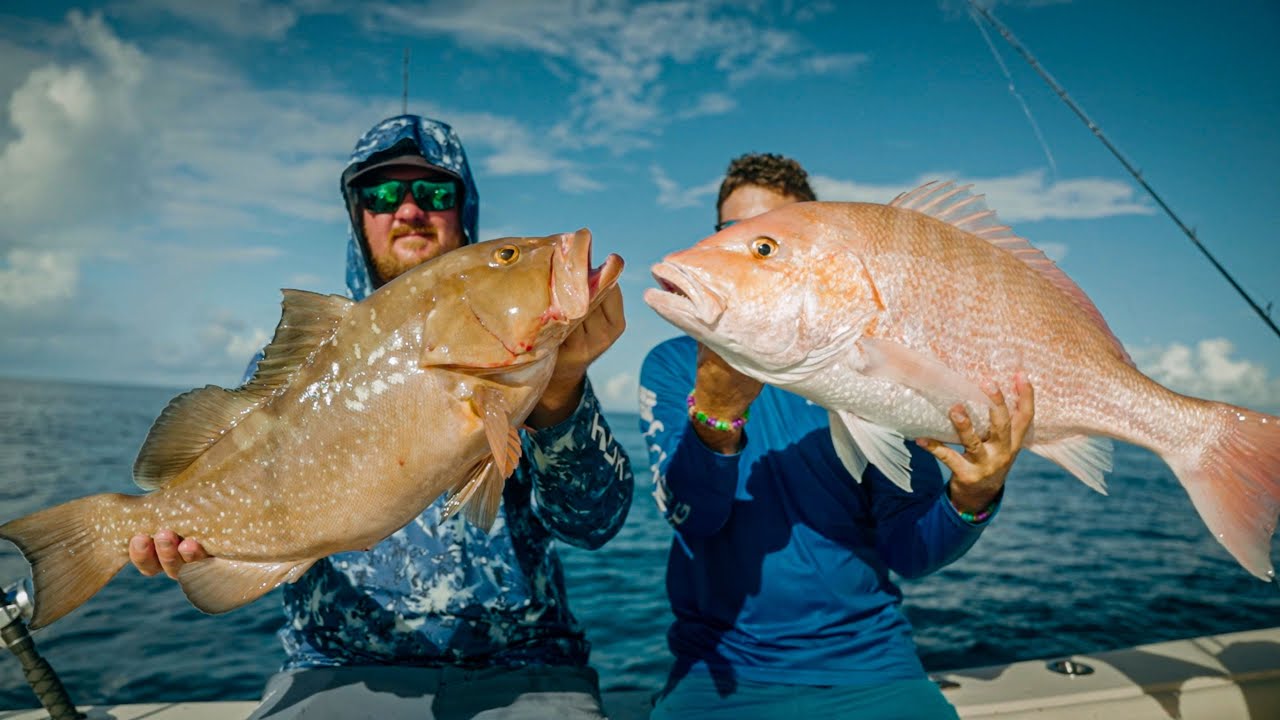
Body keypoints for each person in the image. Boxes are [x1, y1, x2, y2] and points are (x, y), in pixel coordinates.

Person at [129, 115, 634, 720]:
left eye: (436, 193)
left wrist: (563, 393)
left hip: (525, 666)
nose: (410, 210)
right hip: (337, 664)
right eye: (383, 194)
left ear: (462, 210)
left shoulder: (545, 363)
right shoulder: (285, 367)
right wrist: (191, 539)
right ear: (357, 213)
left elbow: (595, 525)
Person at [637, 152, 1034, 719]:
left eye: (768, 246)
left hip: (873, 664)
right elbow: (692, 518)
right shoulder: (676, 367)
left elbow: (910, 551)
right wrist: (717, 416)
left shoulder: (880, 378)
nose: (741, 247)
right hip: (718, 667)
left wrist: (973, 496)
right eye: (733, 234)